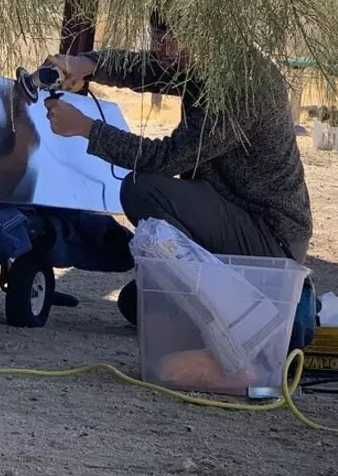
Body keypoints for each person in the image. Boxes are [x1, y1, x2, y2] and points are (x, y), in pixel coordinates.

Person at [42, 16, 312, 325]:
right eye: (158, 41)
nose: (165, 51)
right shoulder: (204, 60)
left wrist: (88, 128)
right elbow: (146, 68)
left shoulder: (243, 85)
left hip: (270, 239)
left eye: (172, 40)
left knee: (141, 189)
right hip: (237, 216)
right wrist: (87, 63)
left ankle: (221, 298)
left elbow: (168, 158)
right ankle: (207, 295)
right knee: (138, 303)